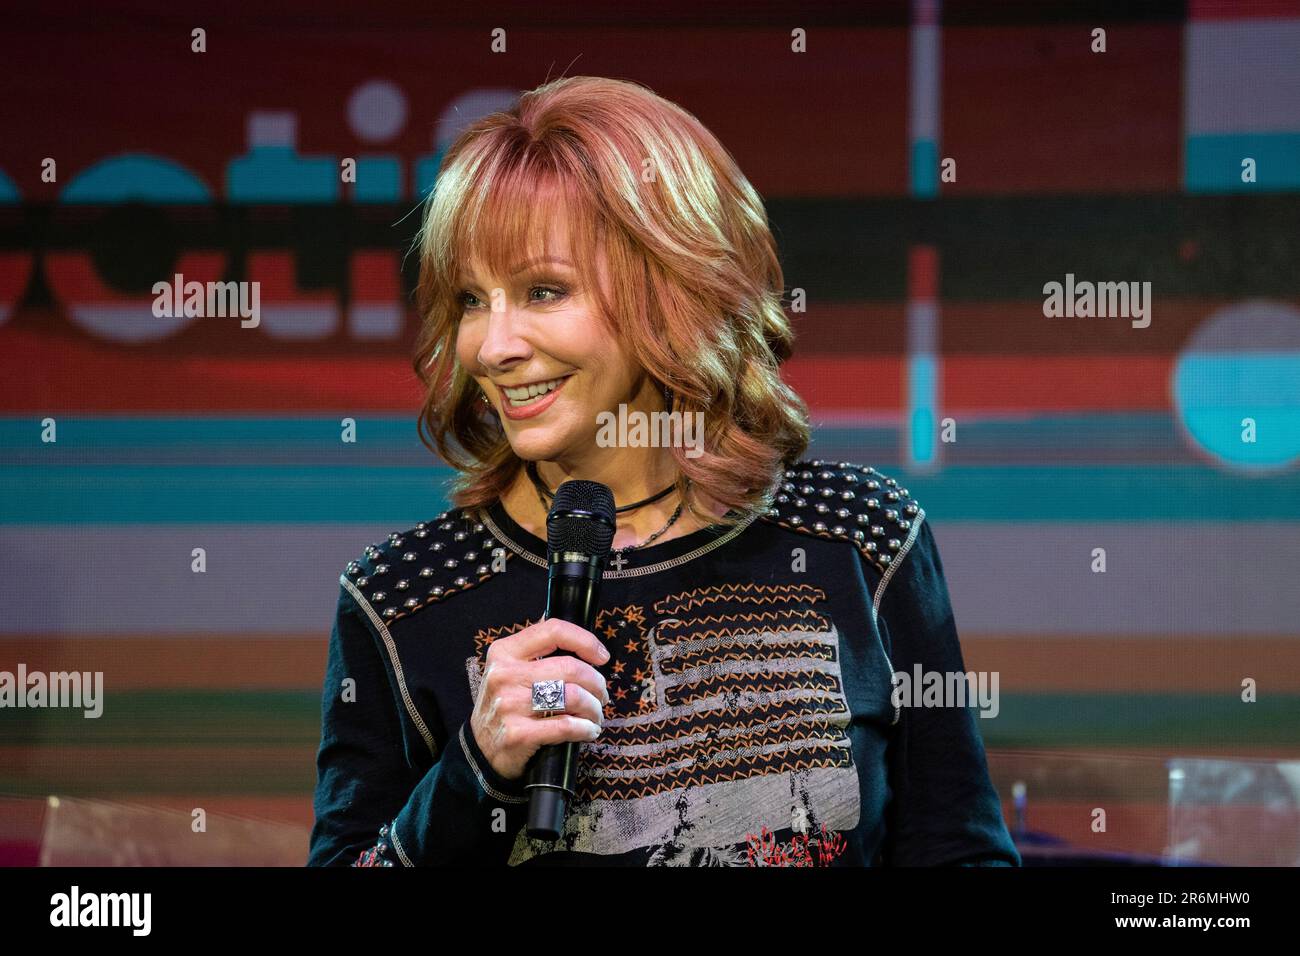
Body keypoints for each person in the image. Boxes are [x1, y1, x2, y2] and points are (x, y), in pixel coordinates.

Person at [307, 75, 1019, 867]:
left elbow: (960, 851)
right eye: (473, 299)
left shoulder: (857, 536)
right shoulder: (404, 597)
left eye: (543, 291)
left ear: (671, 288)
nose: (492, 345)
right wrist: (475, 770)